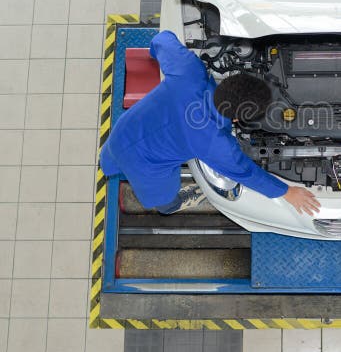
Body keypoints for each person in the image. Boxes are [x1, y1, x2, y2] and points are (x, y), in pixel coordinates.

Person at [100, 30, 320, 215]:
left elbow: (162, 40)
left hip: (124, 130)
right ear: (237, 119)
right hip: (147, 165)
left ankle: (107, 164)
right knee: (164, 202)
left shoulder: (190, 72)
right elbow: (246, 173)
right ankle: (176, 204)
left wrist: (159, 55)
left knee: (111, 158)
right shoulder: (215, 144)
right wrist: (287, 192)